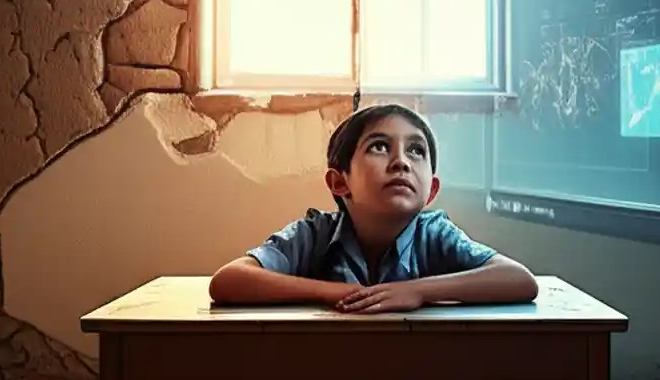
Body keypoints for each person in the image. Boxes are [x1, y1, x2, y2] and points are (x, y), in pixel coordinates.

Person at [209, 103, 539, 313]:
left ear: (432, 190)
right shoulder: (315, 234)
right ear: (340, 183)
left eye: (416, 151)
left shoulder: (434, 234)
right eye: (379, 147)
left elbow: (518, 280)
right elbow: (229, 281)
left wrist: (416, 292)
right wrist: (330, 292)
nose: (401, 162)